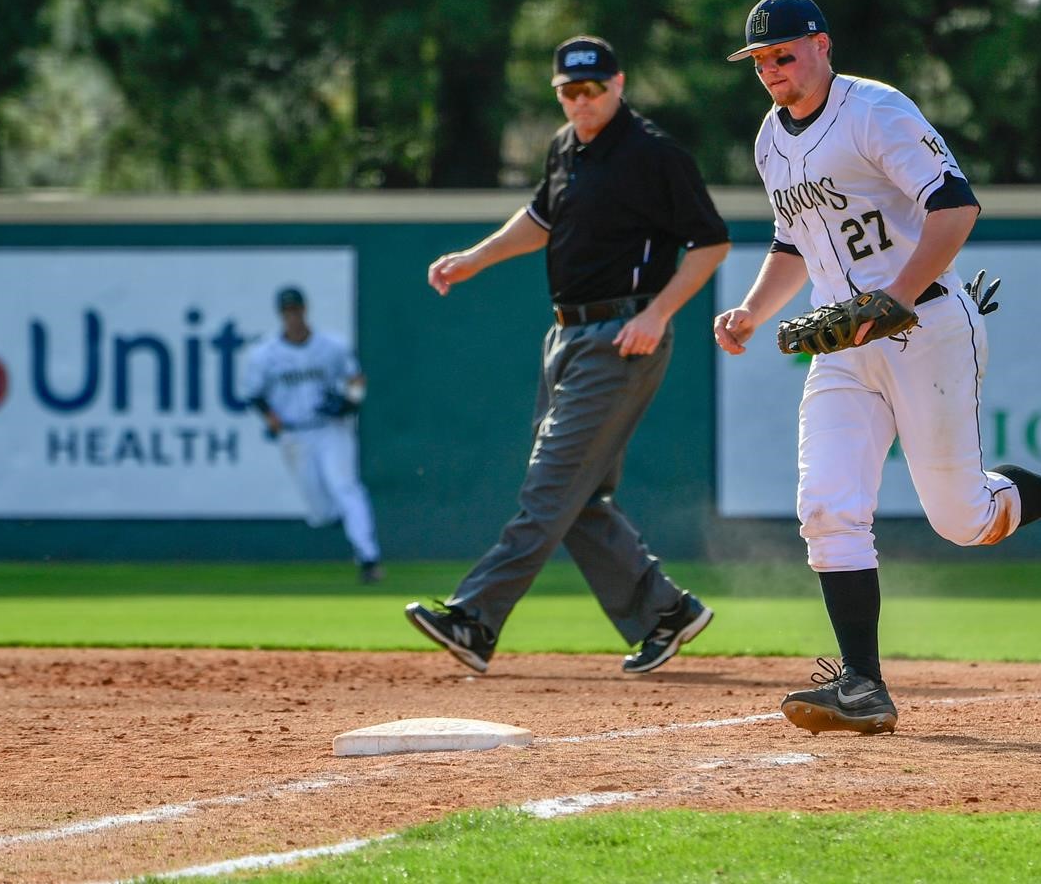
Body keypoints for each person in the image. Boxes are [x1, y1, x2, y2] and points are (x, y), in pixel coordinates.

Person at [711, 0, 1041, 735]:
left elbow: (955, 207)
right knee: (828, 506)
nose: (772, 70)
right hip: (843, 350)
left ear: (822, 46)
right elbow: (793, 246)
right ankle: (863, 684)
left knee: (963, 520)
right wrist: (750, 311)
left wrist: (892, 298)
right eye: (760, 60)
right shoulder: (771, 139)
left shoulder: (875, 111)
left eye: (785, 54)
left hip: (924, 324)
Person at [406, 34, 731, 676]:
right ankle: (664, 612)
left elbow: (710, 243)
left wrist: (657, 313)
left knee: (549, 489)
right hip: (564, 337)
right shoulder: (564, 148)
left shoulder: (653, 153)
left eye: (592, 89)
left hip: (620, 337)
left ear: (618, 84)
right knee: (575, 498)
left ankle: (475, 618)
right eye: (568, 91)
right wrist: (476, 258)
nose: (581, 102)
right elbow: (540, 219)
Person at [242, 286, 384, 584]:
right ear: (281, 314)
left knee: (347, 488)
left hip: (330, 429)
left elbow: (355, 379)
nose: (292, 315)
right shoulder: (265, 354)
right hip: (295, 434)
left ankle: (369, 557)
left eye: (296, 309)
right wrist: (273, 420)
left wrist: (349, 403)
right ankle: (341, 520)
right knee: (318, 508)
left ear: (305, 310)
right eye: (287, 311)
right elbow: (255, 394)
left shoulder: (331, 346)